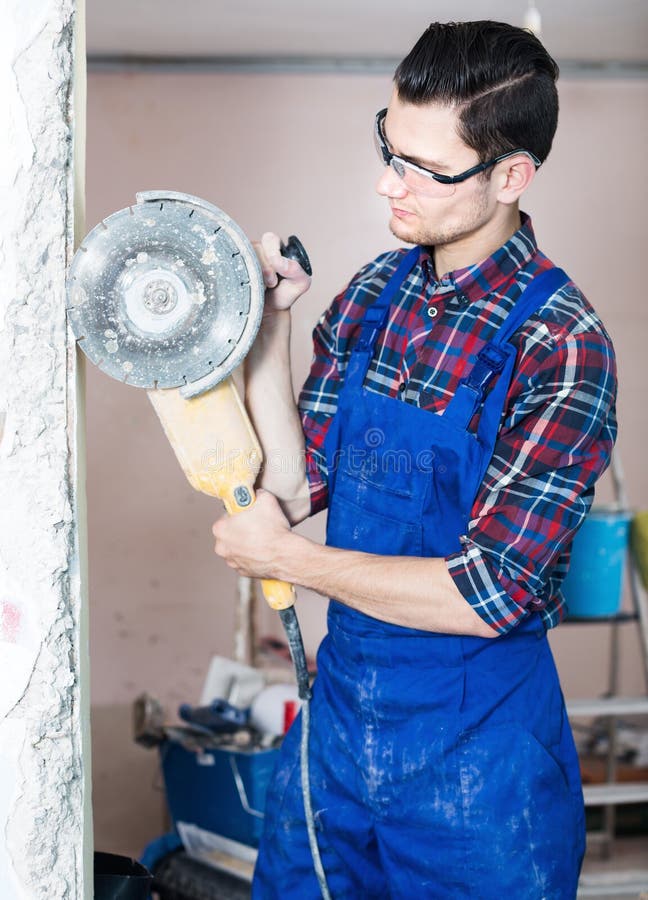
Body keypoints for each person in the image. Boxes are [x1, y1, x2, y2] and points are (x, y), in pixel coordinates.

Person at [212, 20, 617, 899]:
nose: (387, 184)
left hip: (479, 768)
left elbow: (491, 592)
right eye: (388, 148)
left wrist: (287, 563)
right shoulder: (372, 295)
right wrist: (269, 331)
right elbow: (291, 488)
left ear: (511, 176)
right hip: (339, 733)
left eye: (424, 170)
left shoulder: (560, 344)